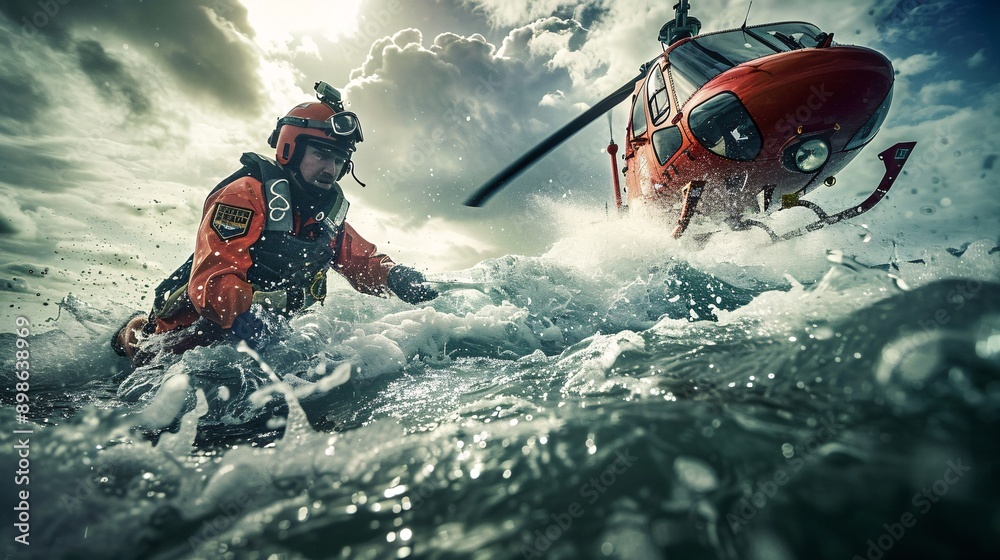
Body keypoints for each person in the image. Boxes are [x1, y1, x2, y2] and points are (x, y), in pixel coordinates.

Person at [113, 82, 437, 365]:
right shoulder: (245, 195)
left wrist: (395, 276)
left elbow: (360, 261)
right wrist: (250, 317)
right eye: (322, 154)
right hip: (185, 341)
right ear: (290, 149)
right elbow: (212, 286)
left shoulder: (322, 217)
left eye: (339, 160)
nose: (331, 168)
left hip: (254, 344)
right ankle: (138, 331)